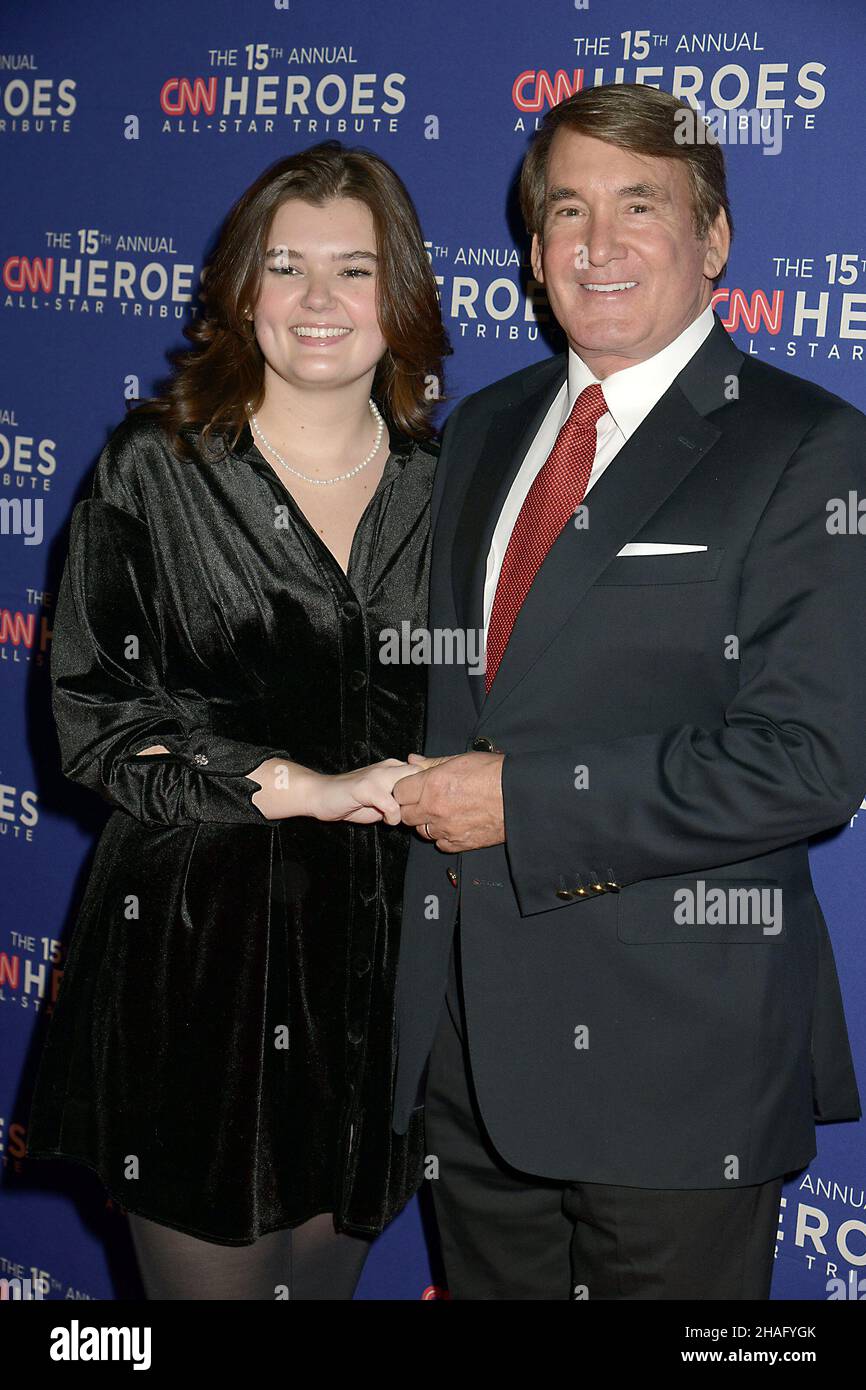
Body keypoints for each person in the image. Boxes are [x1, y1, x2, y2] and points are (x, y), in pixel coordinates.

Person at [391, 82, 866, 1300]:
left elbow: (808, 760)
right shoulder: (483, 429)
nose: (596, 246)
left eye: (637, 206)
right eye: (565, 212)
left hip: (676, 1069)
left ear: (711, 240)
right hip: (467, 1058)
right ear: (533, 250)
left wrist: (524, 805)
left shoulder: (808, 446)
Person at [26, 140, 448, 1301]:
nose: (319, 302)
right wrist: (295, 785)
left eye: (353, 271)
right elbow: (97, 721)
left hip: (376, 968)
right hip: (200, 958)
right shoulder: (153, 469)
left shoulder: (446, 485)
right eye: (286, 268)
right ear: (241, 293)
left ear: (398, 294)